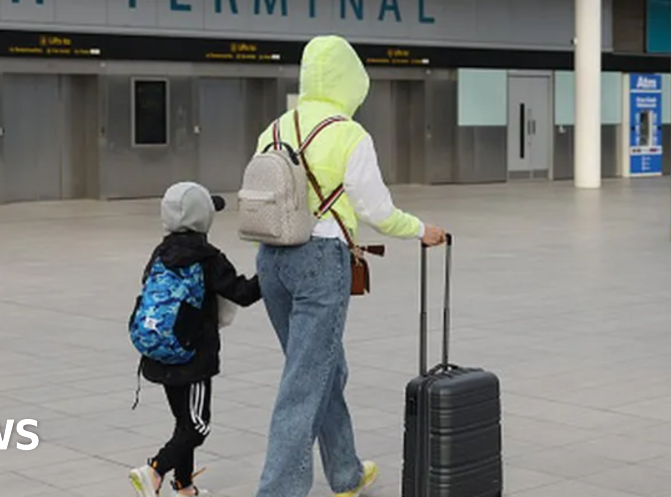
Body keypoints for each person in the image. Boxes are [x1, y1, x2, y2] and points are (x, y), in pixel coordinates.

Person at [253, 35, 447, 497]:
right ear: (351, 80)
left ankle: (346, 473)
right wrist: (422, 230)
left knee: (324, 370)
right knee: (304, 382)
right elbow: (377, 211)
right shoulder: (348, 134)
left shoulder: (275, 128)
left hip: (270, 259)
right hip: (320, 260)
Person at [129, 181, 262, 497]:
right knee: (198, 426)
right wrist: (272, 272)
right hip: (193, 358)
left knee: (182, 423)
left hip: (159, 352)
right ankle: (155, 470)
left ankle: (184, 486)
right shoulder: (208, 258)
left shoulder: (160, 254)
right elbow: (242, 294)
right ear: (203, 219)